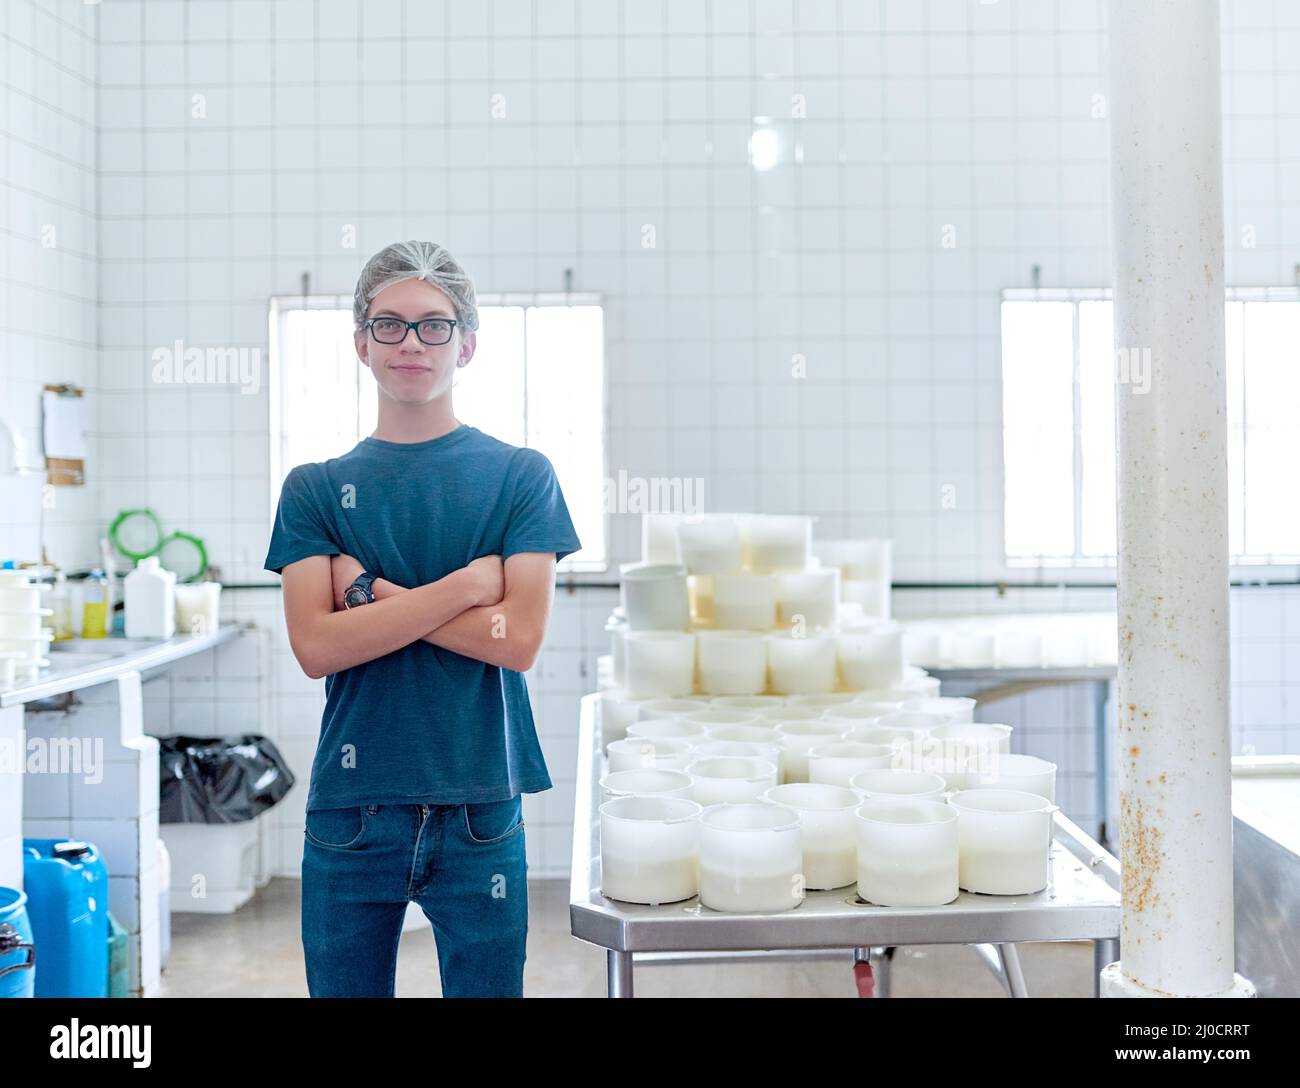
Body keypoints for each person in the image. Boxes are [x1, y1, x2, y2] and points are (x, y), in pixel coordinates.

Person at [263, 240, 581, 997]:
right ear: (360, 344)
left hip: (480, 806)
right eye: (390, 324)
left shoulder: (521, 475)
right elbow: (316, 646)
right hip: (353, 811)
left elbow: (519, 641)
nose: (411, 342)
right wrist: (470, 587)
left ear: (467, 344)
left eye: (434, 325)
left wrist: (368, 592)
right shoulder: (313, 489)